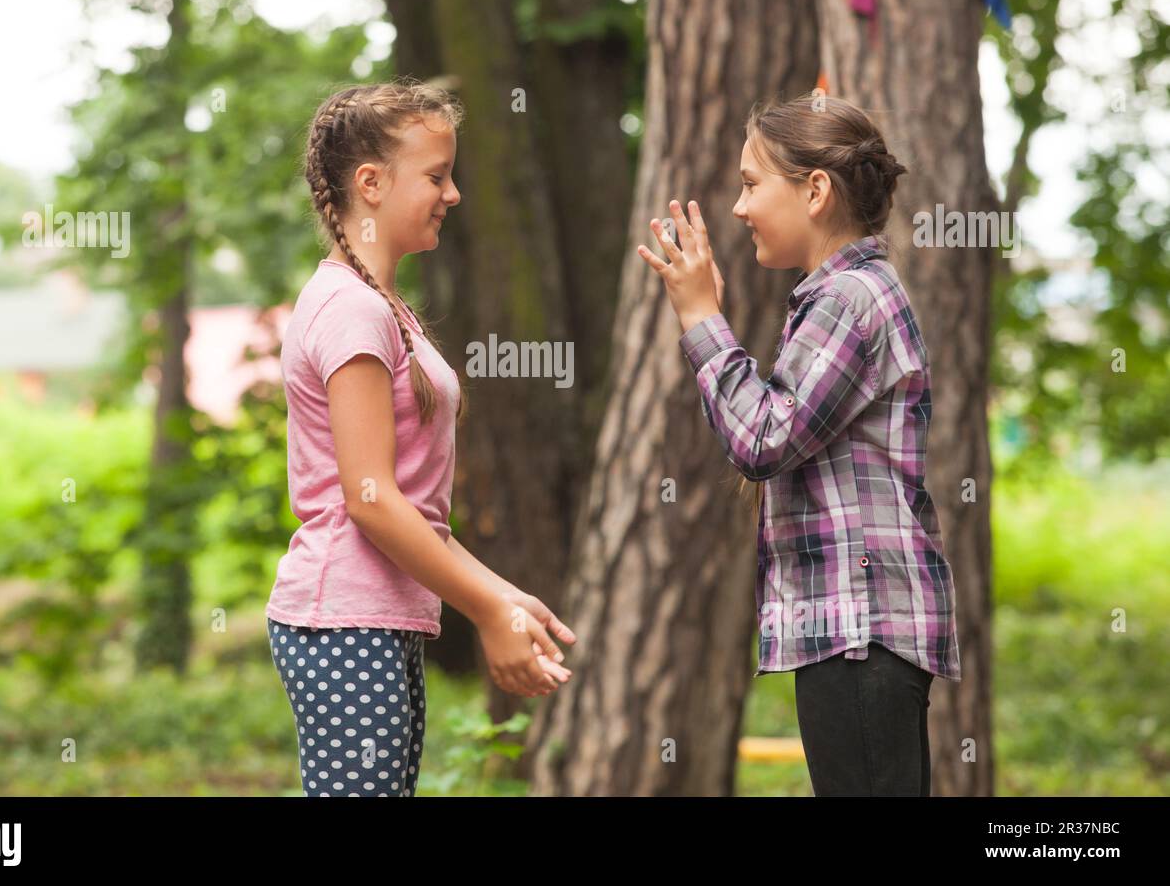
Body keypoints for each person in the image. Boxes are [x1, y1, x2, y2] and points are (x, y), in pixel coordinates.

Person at [637, 92, 961, 796]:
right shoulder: (844, 294)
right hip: (855, 630)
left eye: (752, 183)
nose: (738, 207)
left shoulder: (848, 298)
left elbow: (761, 440)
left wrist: (700, 317)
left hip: (861, 629)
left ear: (815, 191)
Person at [267, 80, 576, 797]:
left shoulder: (379, 306)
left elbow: (411, 508)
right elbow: (370, 501)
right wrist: (487, 608)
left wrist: (505, 597)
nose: (454, 193)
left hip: (375, 616)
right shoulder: (351, 311)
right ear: (370, 184)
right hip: (344, 619)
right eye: (436, 176)